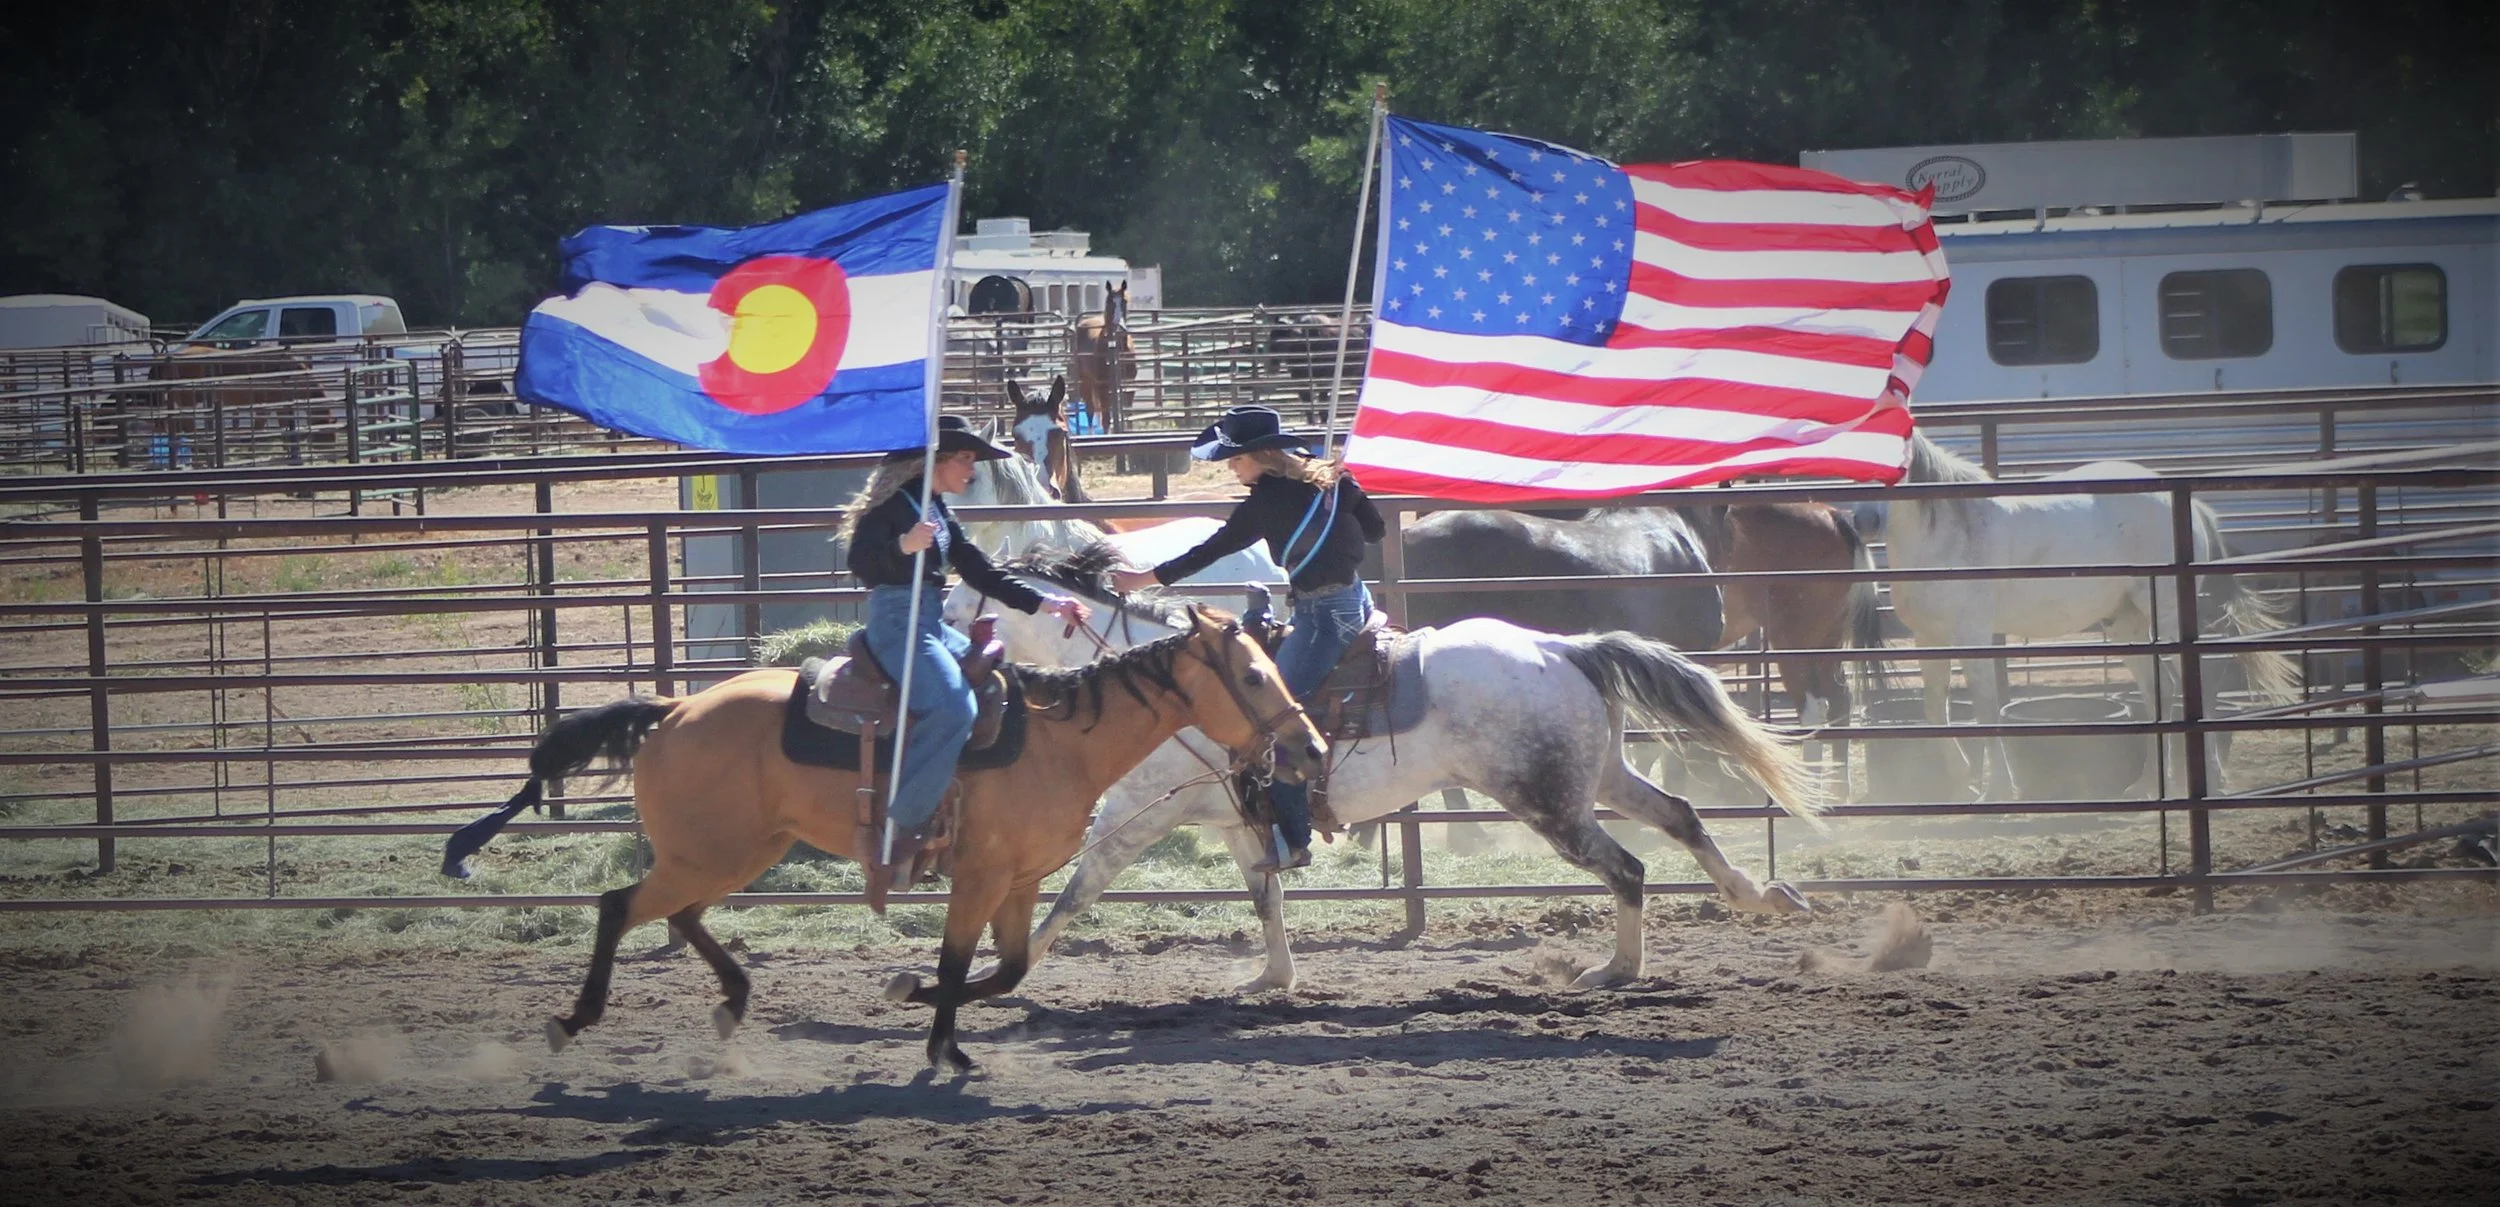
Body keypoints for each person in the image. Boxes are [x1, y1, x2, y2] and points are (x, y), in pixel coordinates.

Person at [1110, 406, 1384, 872]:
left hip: (1321, 617)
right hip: (1353, 600)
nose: (1232, 467)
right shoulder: (1332, 482)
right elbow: (1375, 531)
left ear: (1262, 456)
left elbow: (1211, 550)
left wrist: (1142, 581)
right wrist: (1343, 495)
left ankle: (1293, 839)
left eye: (1236, 460)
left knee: (1271, 722)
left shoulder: (1264, 503)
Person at [842, 415, 1090, 891]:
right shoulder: (897, 507)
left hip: (927, 622)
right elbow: (860, 560)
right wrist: (900, 546)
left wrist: (1046, 602)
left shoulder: (933, 506)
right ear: (939, 459)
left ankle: (971, 808)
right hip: (899, 624)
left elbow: (979, 569)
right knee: (954, 708)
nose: (971, 471)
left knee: (1001, 683)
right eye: (966, 459)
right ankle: (899, 832)